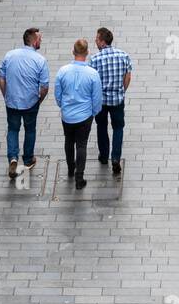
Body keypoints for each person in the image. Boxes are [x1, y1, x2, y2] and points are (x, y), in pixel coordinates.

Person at [0, 28, 50, 178]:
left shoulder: (9, 55)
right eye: (39, 39)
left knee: (13, 129)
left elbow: (1, 78)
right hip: (30, 103)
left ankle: (13, 158)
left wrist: (6, 95)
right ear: (33, 41)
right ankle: (28, 159)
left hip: (12, 101)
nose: (41, 41)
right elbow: (45, 87)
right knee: (30, 130)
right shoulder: (40, 60)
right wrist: (39, 100)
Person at [54, 41, 102, 190]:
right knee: (82, 145)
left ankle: (70, 168)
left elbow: (57, 94)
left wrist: (63, 106)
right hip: (84, 116)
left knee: (69, 141)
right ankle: (79, 177)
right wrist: (93, 112)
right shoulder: (92, 74)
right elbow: (97, 98)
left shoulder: (62, 71)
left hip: (67, 116)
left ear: (72, 52)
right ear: (87, 52)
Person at [90, 28, 133, 175]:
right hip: (117, 100)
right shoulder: (123, 55)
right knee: (118, 128)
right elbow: (128, 76)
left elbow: (92, 82)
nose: (95, 41)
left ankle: (103, 156)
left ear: (102, 41)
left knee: (101, 127)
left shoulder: (95, 60)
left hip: (101, 101)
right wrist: (122, 90)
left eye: (97, 39)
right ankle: (115, 158)